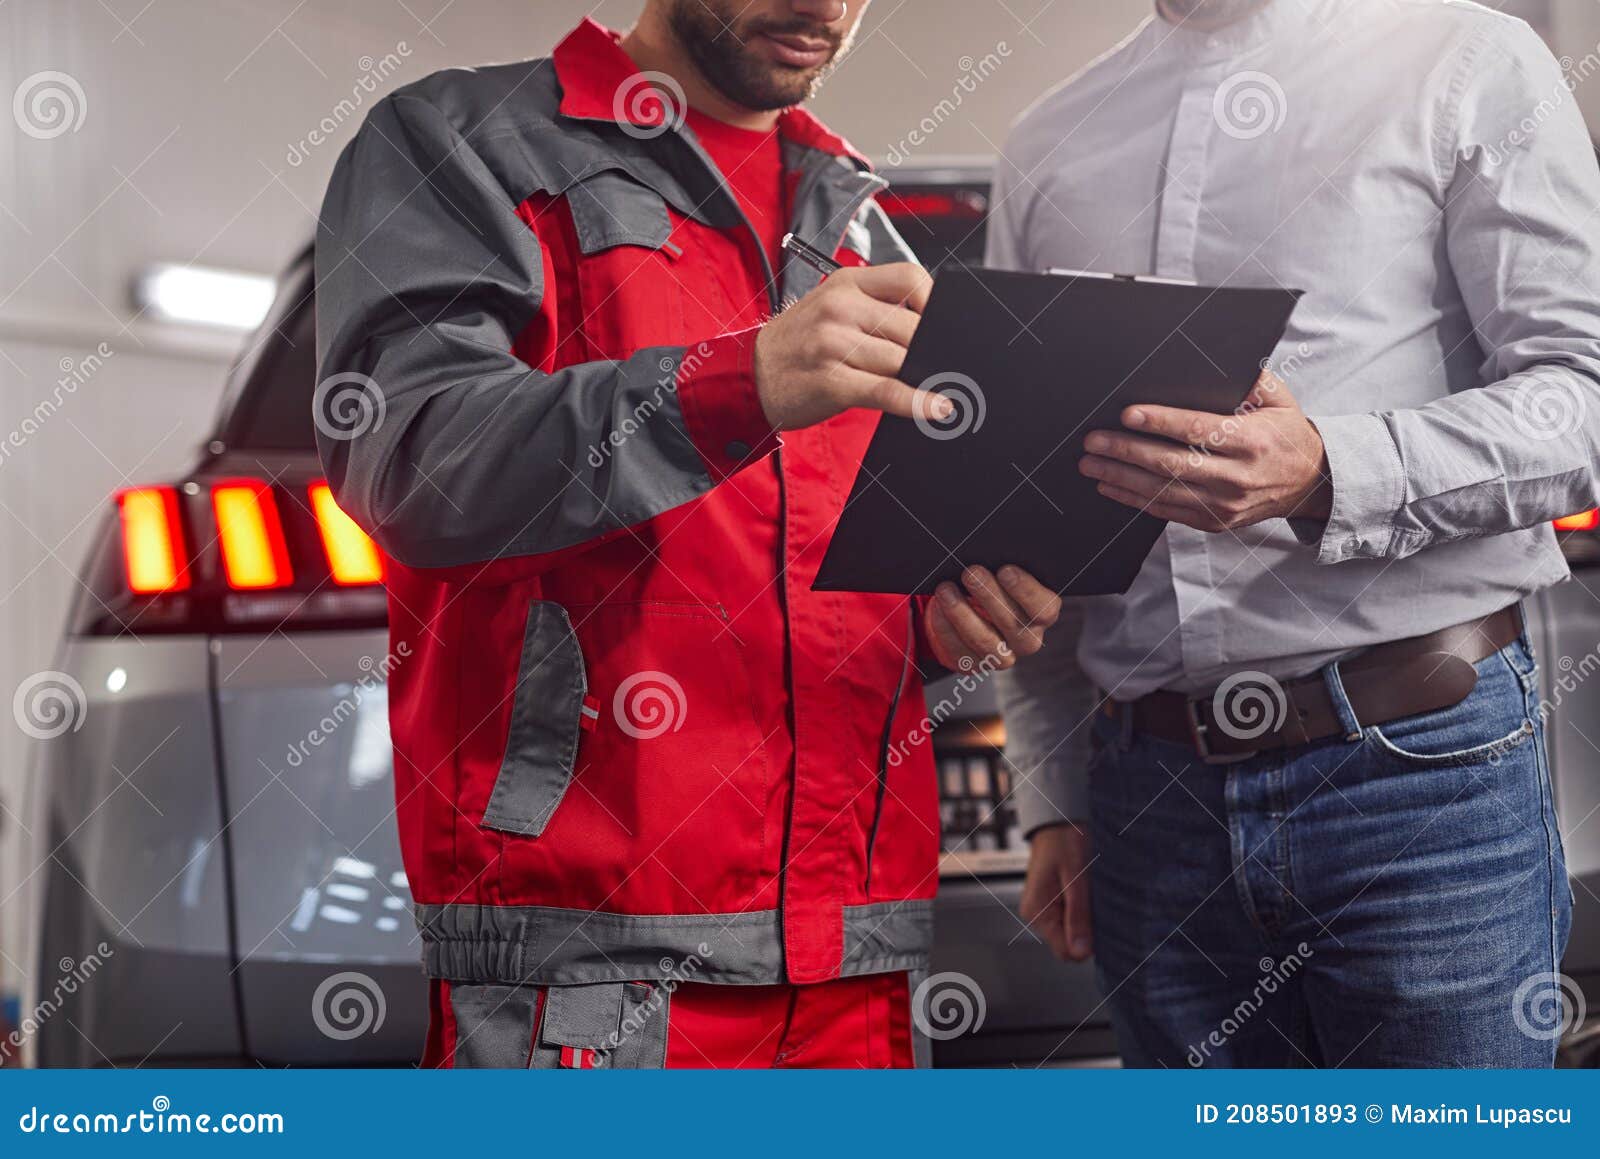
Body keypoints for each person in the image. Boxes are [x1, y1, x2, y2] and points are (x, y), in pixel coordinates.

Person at [314, 0, 1063, 1069]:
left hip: (857, 957)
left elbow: (808, 558)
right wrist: (731, 383)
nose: (823, 6)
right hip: (587, 964)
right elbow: (412, 456)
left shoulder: (857, 225)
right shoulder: (464, 144)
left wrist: (941, 623)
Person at [993, 0, 1597, 1067]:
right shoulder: (1049, 140)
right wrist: (1054, 798)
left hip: (1418, 781)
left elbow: (1580, 401)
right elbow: (1038, 509)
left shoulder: (1467, 60)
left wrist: (1330, 470)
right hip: (1148, 803)